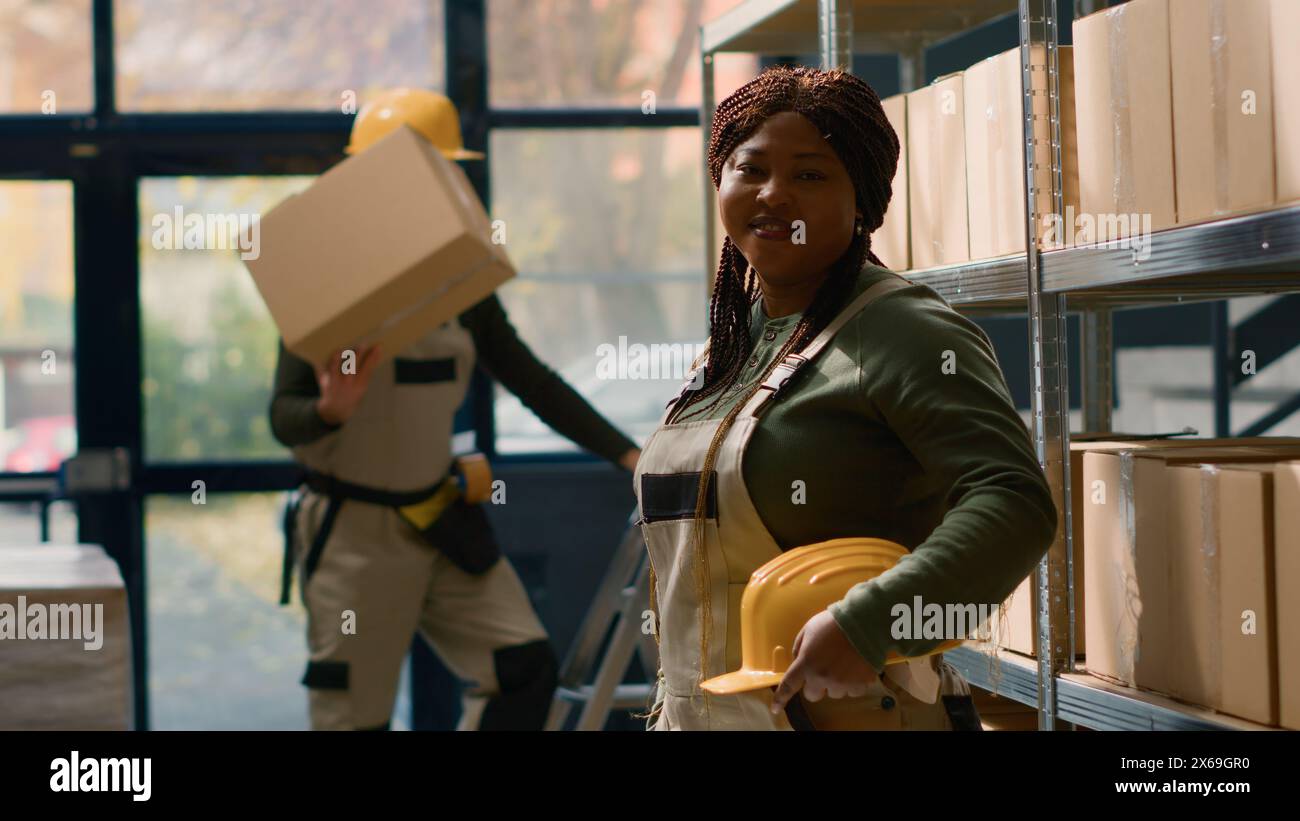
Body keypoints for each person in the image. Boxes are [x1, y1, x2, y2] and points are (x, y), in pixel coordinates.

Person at [632, 66, 1058, 730]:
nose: (774, 194)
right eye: (751, 169)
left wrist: (872, 621)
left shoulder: (905, 329)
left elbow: (1013, 501)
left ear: (861, 200)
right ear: (720, 179)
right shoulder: (730, 342)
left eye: (810, 174)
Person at [270, 89, 640, 731]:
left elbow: (528, 377)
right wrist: (329, 410)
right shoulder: (324, 281)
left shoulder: (458, 282)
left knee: (522, 670)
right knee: (351, 714)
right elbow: (282, 414)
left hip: (439, 521)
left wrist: (626, 452)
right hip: (355, 536)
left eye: (448, 172)